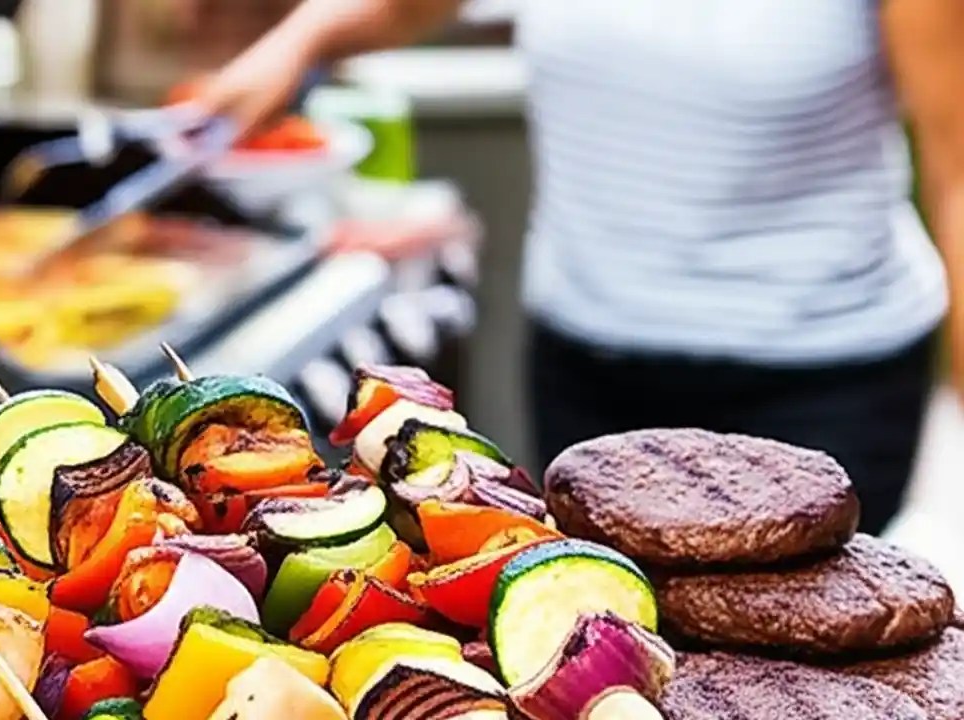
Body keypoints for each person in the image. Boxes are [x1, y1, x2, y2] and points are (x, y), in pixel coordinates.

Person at [192, 0, 964, 535]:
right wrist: (291, 47)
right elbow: (402, 5)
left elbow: (956, 168)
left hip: (824, 384)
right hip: (591, 372)